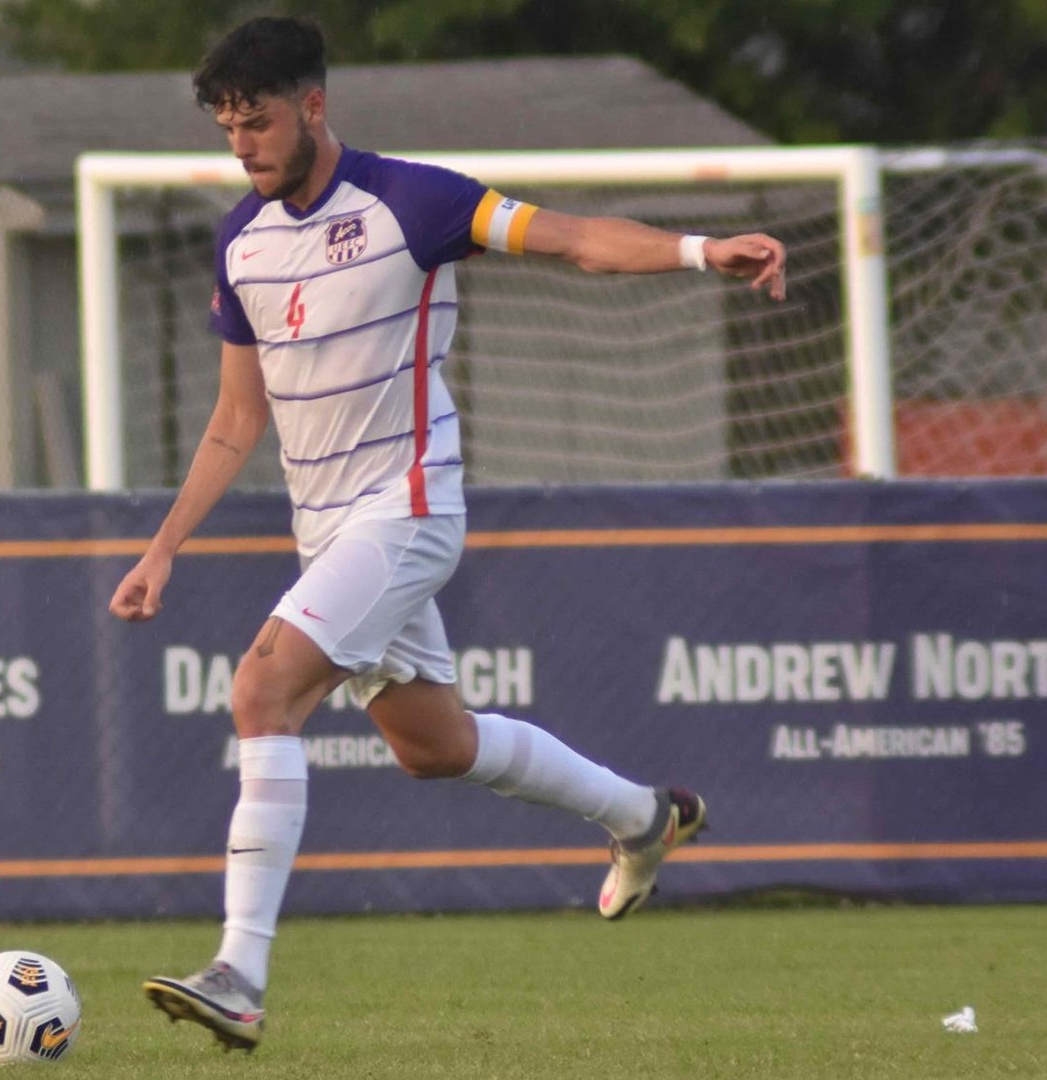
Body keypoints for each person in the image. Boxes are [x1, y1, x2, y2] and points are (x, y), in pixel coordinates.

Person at [108, 15, 788, 1053]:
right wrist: (163, 547)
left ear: (315, 106)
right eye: (227, 128)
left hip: (409, 509)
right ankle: (647, 819)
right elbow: (235, 418)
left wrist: (701, 252)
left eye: (259, 122)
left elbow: (571, 240)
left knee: (259, 691)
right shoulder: (240, 240)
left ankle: (239, 975)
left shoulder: (414, 201)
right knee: (436, 747)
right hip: (327, 534)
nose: (243, 146)